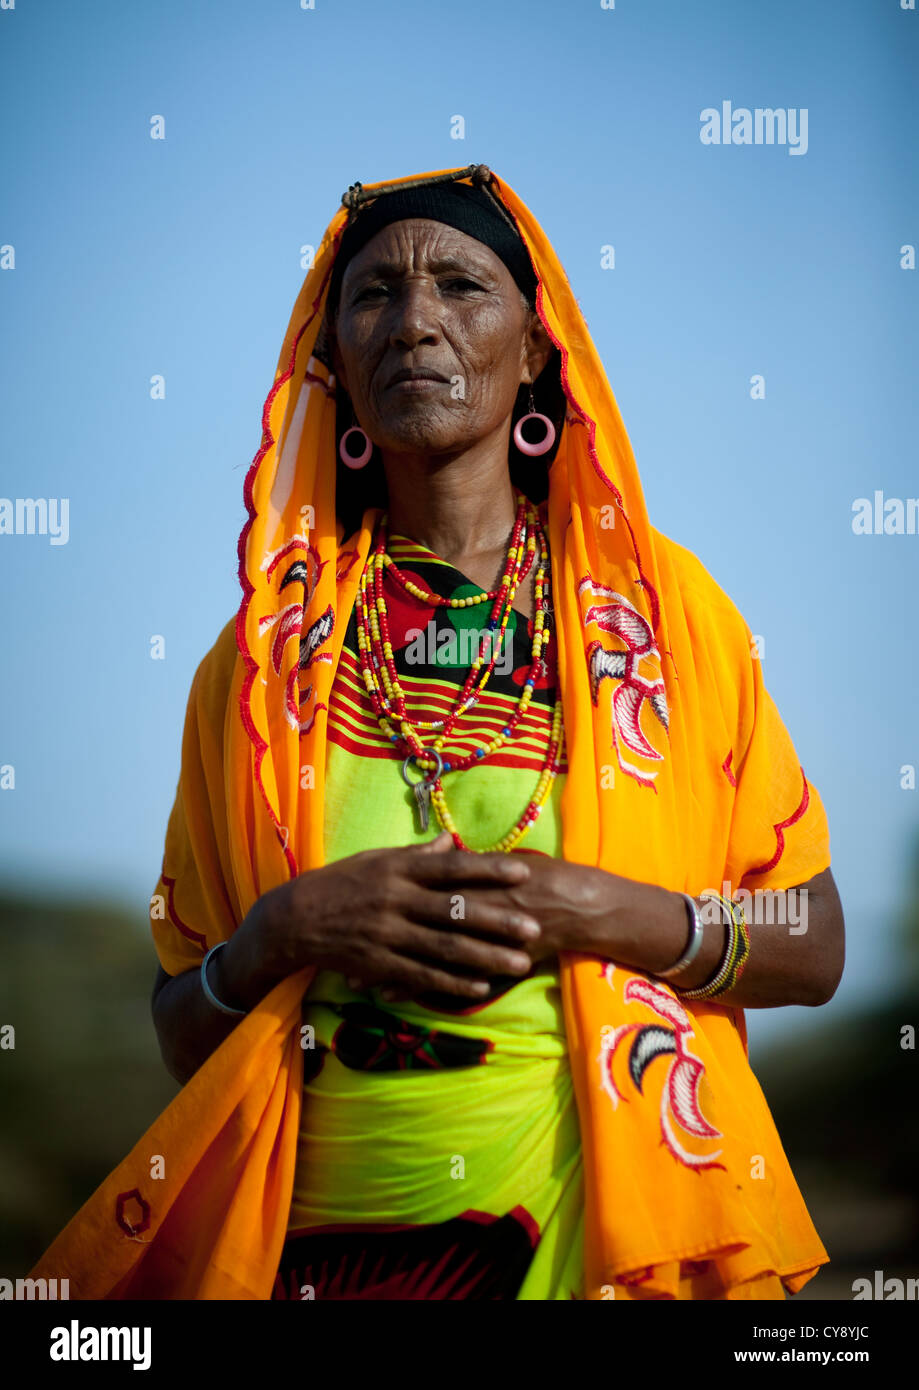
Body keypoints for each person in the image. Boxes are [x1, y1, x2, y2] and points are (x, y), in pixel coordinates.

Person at [29, 164, 844, 1301]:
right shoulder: (259, 668)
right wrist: (281, 933)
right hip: (320, 1257)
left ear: (534, 351)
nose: (414, 322)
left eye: (461, 286)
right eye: (371, 297)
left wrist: (603, 910)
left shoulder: (665, 620)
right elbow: (183, 1028)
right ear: (338, 376)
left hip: (595, 1254)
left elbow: (809, 936)